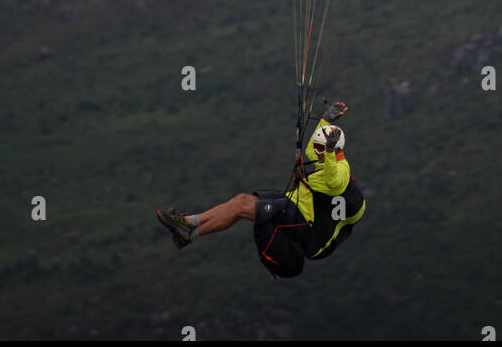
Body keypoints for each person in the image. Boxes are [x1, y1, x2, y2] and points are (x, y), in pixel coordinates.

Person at [156, 100, 365, 277]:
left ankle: (189, 235)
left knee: (242, 209)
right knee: (240, 201)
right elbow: (312, 149)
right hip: (296, 207)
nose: (316, 151)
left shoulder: (340, 168)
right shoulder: (325, 156)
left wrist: (327, 151)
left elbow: (334, 182)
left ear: (332, 150)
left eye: (322, 148)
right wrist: (325, 121)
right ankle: (188, 223)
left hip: (306, 227)